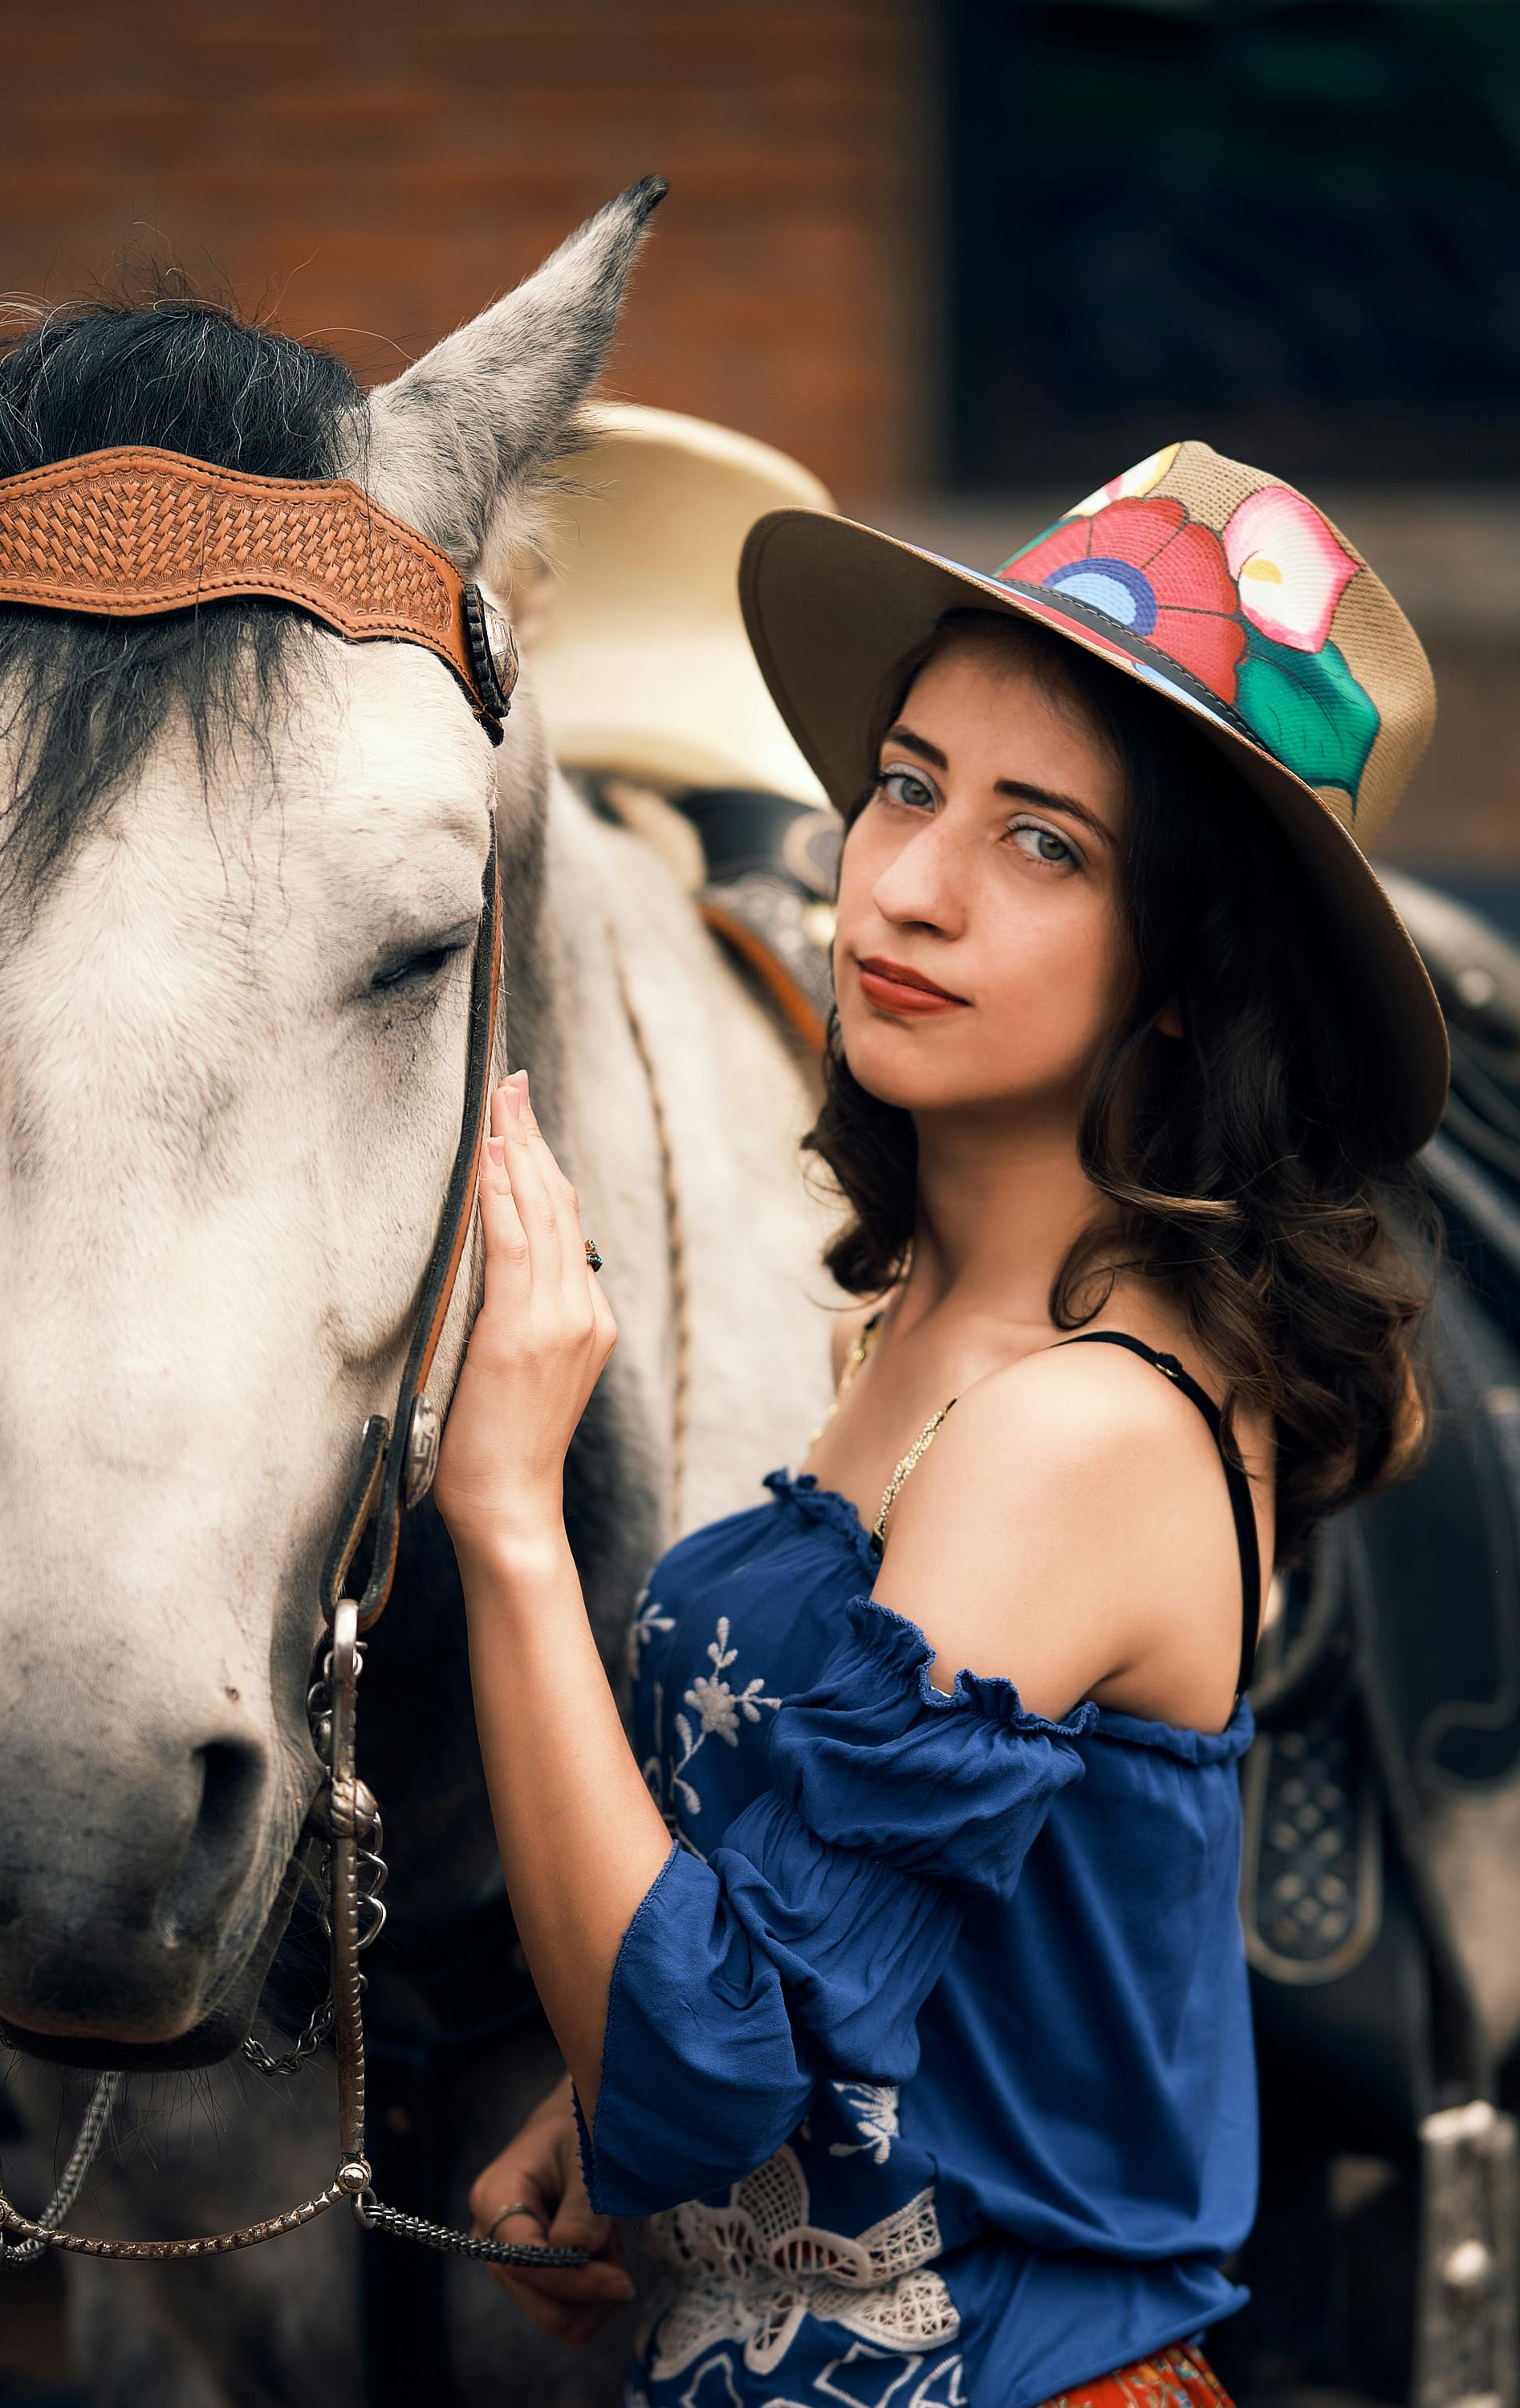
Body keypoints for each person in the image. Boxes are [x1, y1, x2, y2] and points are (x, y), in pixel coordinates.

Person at [432, 441, 1442, 2408]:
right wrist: (590, 2090)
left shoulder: (1081, 1429)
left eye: (1042, 844)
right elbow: (839, 1945)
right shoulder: (918, 1329)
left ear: (1189, 970)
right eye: (908, 787)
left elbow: (705, 2074)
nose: (902, 887)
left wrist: (512, 1518)